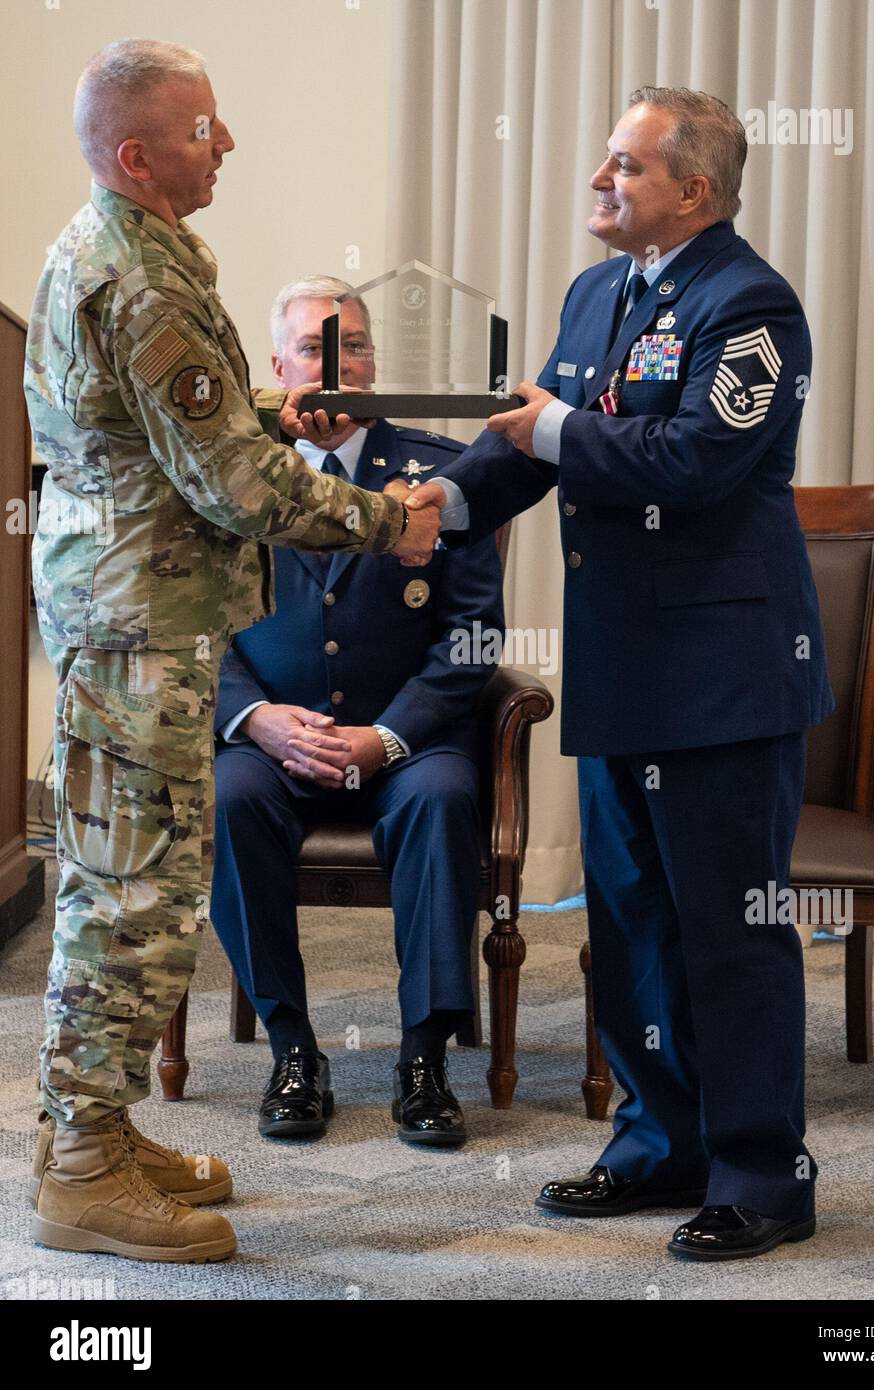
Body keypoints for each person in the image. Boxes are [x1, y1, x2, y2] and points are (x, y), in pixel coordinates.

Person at [382, 88, 835, 1261]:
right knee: (629, 920)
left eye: (626, 165)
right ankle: (657, 1143)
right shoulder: (599, 294)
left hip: (727, 674)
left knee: (729, 929)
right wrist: (448, 498)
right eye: (605, 160)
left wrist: (541, 435)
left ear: (693, 188)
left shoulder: (753, 305)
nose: (599, 179)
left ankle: (762, 1175)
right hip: (625, 668)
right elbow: (526, 444)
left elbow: (691, 460)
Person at [25, 39, 438, 1265]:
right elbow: (237, 486)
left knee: (120, 874)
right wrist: (381, 516)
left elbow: (173, 430)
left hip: (128, 613)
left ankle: (85, 1129)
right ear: (141, 153)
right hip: (137, 627)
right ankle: (86, 1167)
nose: (230, 144)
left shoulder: (119, 245)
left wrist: (266, 412)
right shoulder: (140, 279)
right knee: (136, 893)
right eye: (206, 130)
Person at [211, 276, 504, 1146]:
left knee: (443, 801)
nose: (340, 369)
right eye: (315, 350)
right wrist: (255, 719)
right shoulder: (233, 476)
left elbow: (473, 640)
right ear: (278, 370)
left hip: (407, 743)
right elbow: (198, 627)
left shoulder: (444, 473)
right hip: (271, 740)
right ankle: (294, 1050)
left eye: (358, 348)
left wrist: (386, 737)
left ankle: (425, 1059)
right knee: (228, 803)